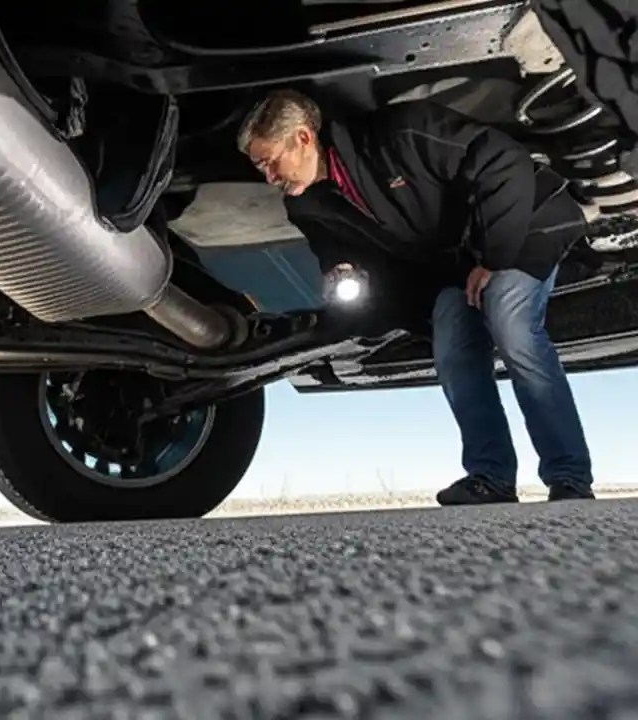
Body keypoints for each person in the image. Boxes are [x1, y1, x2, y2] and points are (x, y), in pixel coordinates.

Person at [236, 88, 595, 504]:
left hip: (522, 223)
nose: (269, 177)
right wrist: (343, 272)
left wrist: (494, 257)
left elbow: (500, 160)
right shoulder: (305, 207)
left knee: (510, 322)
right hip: (460, 266)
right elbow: (333, 252)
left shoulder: (400, 133)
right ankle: (491, 476)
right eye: (260, 167)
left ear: (302, 137)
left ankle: (569, 476)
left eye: (270, 161)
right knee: (451, 343)